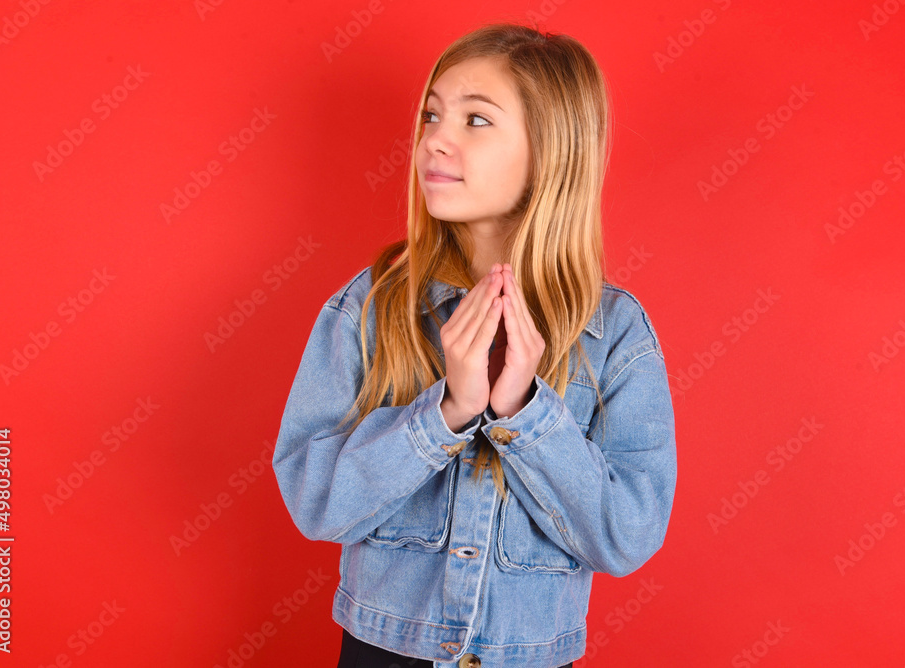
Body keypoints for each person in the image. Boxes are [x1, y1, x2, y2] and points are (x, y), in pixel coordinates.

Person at [272, 22, 677, 668]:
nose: (435, 137)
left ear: (551, 151)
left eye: (475, 120)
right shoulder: (373, 306)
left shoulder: (615, 335)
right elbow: (315, 500)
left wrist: (524, 411)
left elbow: (626, 535)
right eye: (431, 115)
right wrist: (444, 415)